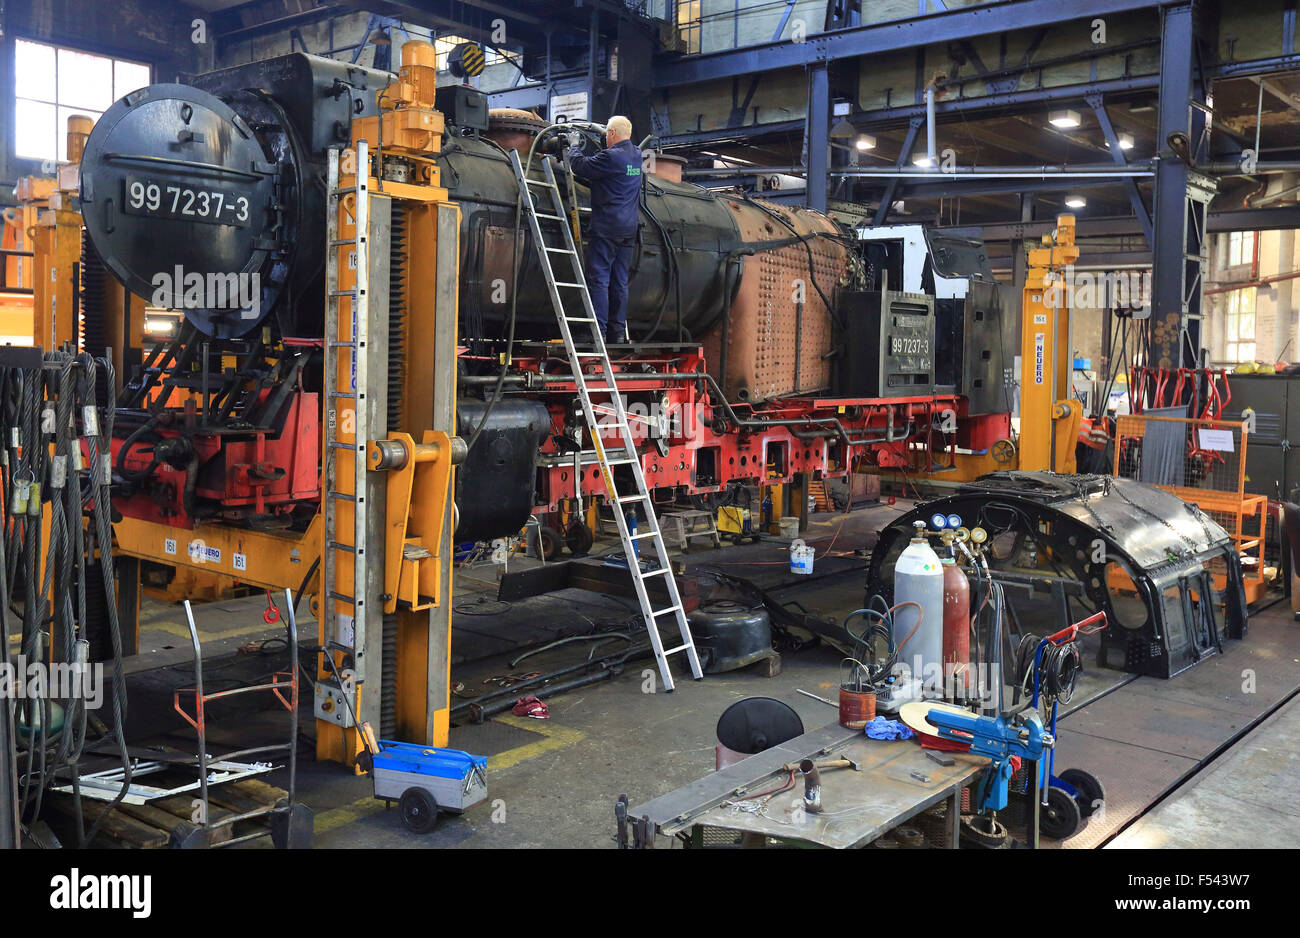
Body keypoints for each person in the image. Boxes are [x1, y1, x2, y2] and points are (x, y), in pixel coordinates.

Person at [565, 115, 641, 345]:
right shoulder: (637, 155)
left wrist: (574, 146)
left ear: (613, 134)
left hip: (607, 227)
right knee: (619, 282)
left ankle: (597, 330)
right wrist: (604, 134)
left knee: (599, 279)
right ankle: (616, 334)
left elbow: (580, 166)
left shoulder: (610, 157)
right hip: (628, 228)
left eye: (608, 133)